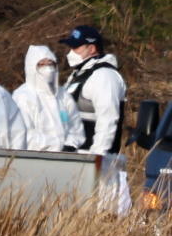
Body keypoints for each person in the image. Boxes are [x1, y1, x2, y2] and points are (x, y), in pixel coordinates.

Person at [61, 25, 126, 157]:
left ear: (91, 48)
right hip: (72, 156)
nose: (71, 52)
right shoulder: (78, 74)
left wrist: (95, 158)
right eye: (71, 47)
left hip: (92, 160)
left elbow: (108, 119)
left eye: (76, 48)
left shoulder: (104, 76)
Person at [13, 44, 76, 152]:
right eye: (42, 64)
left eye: (50, 64)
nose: (48, 69)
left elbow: (74, 125)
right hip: (37, 159)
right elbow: (24, 134)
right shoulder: (23, 97)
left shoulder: (62, 95)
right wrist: (56, 144)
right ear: (32, 67)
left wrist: (71, 143)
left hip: (65, 158)